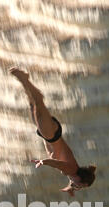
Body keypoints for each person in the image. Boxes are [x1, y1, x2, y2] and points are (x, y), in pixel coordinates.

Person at [9, 67, 96, 197]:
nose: (78, 187)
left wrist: (70, 188)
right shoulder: (72, 169)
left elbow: (71, 180)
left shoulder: (72, 172)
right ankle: (24, 79)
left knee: (33, 105)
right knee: (38, 102)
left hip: (49, 134)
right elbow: (56, 164)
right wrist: (43, 162)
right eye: (80, 185)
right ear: (80, 178)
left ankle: (24, 81)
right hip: (51, 135)